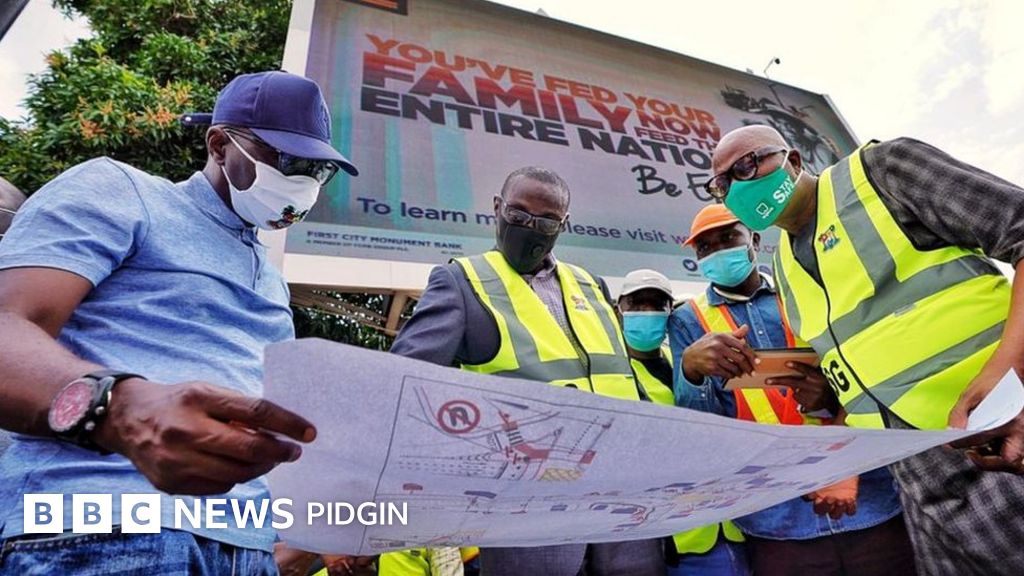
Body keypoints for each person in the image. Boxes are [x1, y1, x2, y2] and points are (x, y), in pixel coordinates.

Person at [0, 70, 358, 574]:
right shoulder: (122, 192)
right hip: (106, 527)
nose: (304, 183)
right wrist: (120, 410)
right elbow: (8, 324)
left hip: (246, 547)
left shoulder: (272, 283)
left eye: (318, 171)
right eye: (286, 159)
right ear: (219, 145)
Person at [706, 124, 1024, 574]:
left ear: (793, 161)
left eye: (746, 165)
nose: (737, 186)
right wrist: (837, 440)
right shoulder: (785, 266)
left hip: (1002, 435)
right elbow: (856, 374)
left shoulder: (883, 173)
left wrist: (1011, 375)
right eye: (722, 184)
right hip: (916, 480)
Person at [390, 166, 663, 576]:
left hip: (620, 509)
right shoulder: (461, 282)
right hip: (528, 514)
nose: (530, 227)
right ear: (497, 208)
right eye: (518, 214)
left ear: (564, 224)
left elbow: (625, 384)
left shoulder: (592, 286)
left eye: (546, 221)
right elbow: (404, 382)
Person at [668, 203, 916, 575]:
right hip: (775, 517)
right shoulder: (688, 320)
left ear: (754, 239)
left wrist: (831, 397)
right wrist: (691, 371)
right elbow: (700, 425)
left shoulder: (806, 287)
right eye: (705, 247)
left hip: (865, 498)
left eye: (728, 238)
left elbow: (869, 368)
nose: (717, 251)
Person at [615, 268, 749, 576]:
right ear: (618, 310)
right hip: (680, 539)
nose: (647, 312)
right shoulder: (613, 373)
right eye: (637, 304)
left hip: (735, 525)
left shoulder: (689, 361)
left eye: (657, 304)